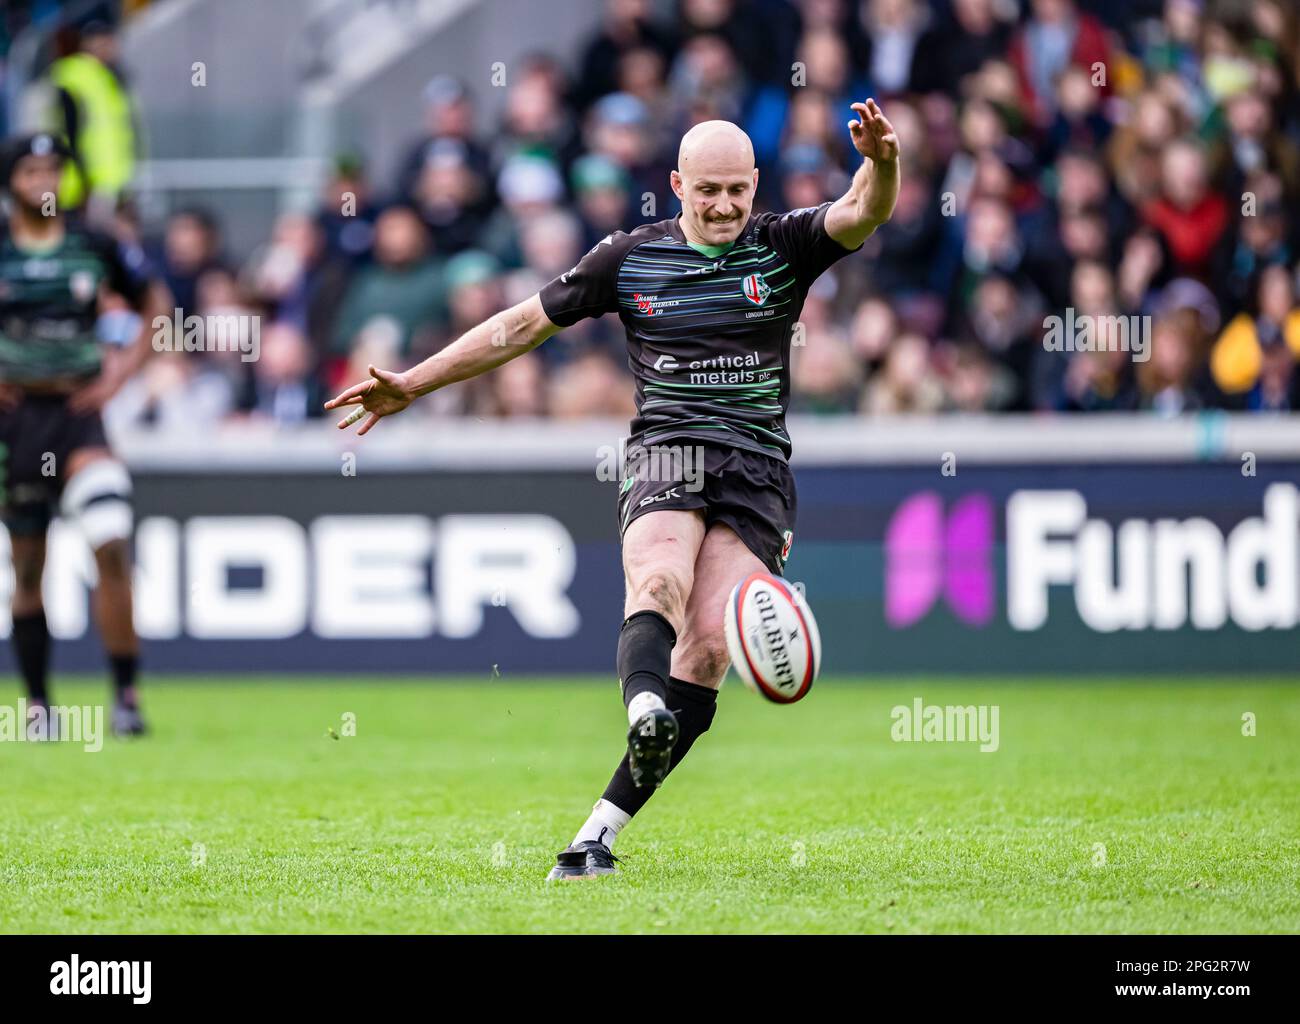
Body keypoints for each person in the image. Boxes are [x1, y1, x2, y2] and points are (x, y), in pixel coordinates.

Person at [325, 101, 900, 880]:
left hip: (757, 471)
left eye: (738, 190)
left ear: (755, 184)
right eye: (709, 192)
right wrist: (415, 384)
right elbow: (519, 327)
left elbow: (864, 209)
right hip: (668, 453)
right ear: (676, 185)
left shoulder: (784, 246)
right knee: (659, 576)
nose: (726, 206)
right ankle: (642, 709)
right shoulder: (628, 259)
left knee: (704, 651)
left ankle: (597, 830)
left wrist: (883, 161)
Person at [0, 133, 167, 738]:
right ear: (10, 181)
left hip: (78, 418)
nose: (43, 182)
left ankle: (126, 695)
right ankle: (39, 705)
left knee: (110, 539)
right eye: (30, 171)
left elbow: (156, 306)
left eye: (54, 169)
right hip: (15, 426)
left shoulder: (94, 242)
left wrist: (119, 373)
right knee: (26, 569)